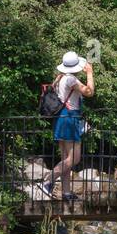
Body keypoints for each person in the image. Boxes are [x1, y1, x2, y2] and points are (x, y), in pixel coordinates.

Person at [40, 51, 94, 202]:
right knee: (74, 158)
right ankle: (48, 180)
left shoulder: (60, 78)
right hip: (70, 119)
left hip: (61, 118)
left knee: (65, 158)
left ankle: (66, 192)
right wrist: (90, 73)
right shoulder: (70, 79)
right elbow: (89, 92)